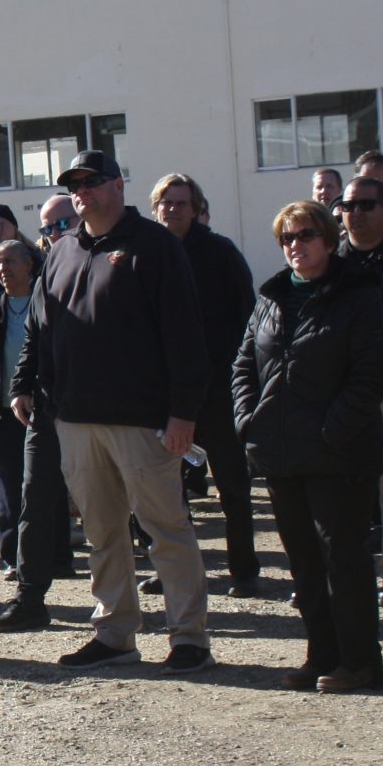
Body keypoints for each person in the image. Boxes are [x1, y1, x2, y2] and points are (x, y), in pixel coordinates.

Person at [11, 150, 214, 675]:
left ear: (119, 185)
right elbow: (39, 328)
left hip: (142, 420)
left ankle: (189, 637)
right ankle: (114, 633)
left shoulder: (156, 247)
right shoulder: (60, 252)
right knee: (103, 533)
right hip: (75, 418)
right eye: (74, 185)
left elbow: (187, 338)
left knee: (165, 529)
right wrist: (26, 385)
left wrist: (183, 414)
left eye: (92, 182)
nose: (83, 192)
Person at [234, 201, 383, 693]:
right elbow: (244, 364)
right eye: (287, 238)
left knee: (342, 559)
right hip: (282, 451)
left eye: (305, 236)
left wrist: (333, 428)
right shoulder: (273, 296)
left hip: (340, 453)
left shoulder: (358, 295)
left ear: (328, 240)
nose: (295, 246)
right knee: (303, 560)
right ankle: (321, 655)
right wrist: (247, 419)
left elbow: (375, 371)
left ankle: (361, 662)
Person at [149, 173, 258, 596]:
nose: (173, 209)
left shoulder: (219, 252)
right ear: (156, 207)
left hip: (218, 389)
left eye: (181, 203)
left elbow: (248, 315)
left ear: (195, 208)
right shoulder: (146, 254)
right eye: (166, 203)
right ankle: (175, 571)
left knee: (232, 485)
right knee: (166, 493)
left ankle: (244, 571)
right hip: (164, 394)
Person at [0, 241, 70, 630]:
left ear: (30, 264)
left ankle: (59, 556)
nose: (2, 269)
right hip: (3, 411)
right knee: (12, 489)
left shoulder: (50, 301)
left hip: (48, 406)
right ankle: (15, 557)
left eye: (9, 261)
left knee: (52, 486)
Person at [335, 174, 383, 607]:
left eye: (366, 205)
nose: (355, 213)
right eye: (348, 205)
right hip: (342, 394)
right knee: (345, 490)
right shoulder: (333, 261)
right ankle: (345, 573)